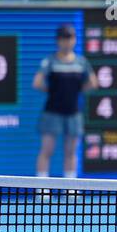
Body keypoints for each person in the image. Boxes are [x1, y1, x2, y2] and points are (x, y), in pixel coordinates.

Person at [33, 25, 96, 178]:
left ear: (74, 40)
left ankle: (70, 188)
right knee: (47, 150)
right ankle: (42, 188)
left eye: (70, 38)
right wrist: (53, 91)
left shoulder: (81, 62)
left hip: (73, 113)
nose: (67, 42)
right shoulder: (50, 61)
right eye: (64, 38)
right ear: (58, 41)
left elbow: (93, 83)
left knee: (71, 152)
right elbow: (37, 83)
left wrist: (75, 90)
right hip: (52, 112)